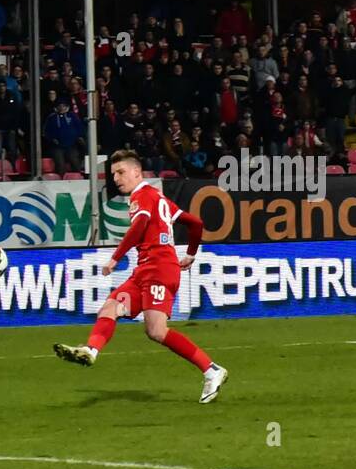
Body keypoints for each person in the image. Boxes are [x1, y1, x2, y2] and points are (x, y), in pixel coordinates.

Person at [53, 149, 228, 404]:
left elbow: (140, 225)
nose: (116, 178)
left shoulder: (142, 196)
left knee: (156, 330)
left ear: (137, 172)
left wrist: (116, 257)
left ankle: (212, 370)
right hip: (146, 270)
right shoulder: (159, 198)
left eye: (121, 172)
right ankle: (91, 350)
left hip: (159, 269)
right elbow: (196, 224)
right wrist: (190, 254)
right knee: (110, 307)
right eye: (113, 174)